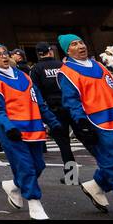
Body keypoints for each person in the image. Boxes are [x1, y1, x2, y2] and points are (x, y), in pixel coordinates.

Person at [54, 35, 113, 219]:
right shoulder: (67, 73)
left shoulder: (99, 65)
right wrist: (82, 124)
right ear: (67, 51)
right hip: (96, 125)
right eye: (74, 44)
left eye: (81, 42)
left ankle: (96, 185)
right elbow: (71, 101)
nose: (80, 46)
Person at [0, 44, 58, 220]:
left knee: (39, 165)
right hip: (11, 131)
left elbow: (38, 101)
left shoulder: (24, 76)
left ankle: (14, 185)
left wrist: (53, 122)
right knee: (26, 166)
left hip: (33, 127)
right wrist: (10, 128)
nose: (4, 56)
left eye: (5, 53)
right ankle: (34, 201)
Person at [30, 42, 90, 185]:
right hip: (72, 106)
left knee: (64, 144)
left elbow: (36, 92)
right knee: (86, 137)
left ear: (39, 54)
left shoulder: (36, 69)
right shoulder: (62, 65)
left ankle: (71, 176)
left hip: (54, 110)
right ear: (50, 51)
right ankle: (105, 166)